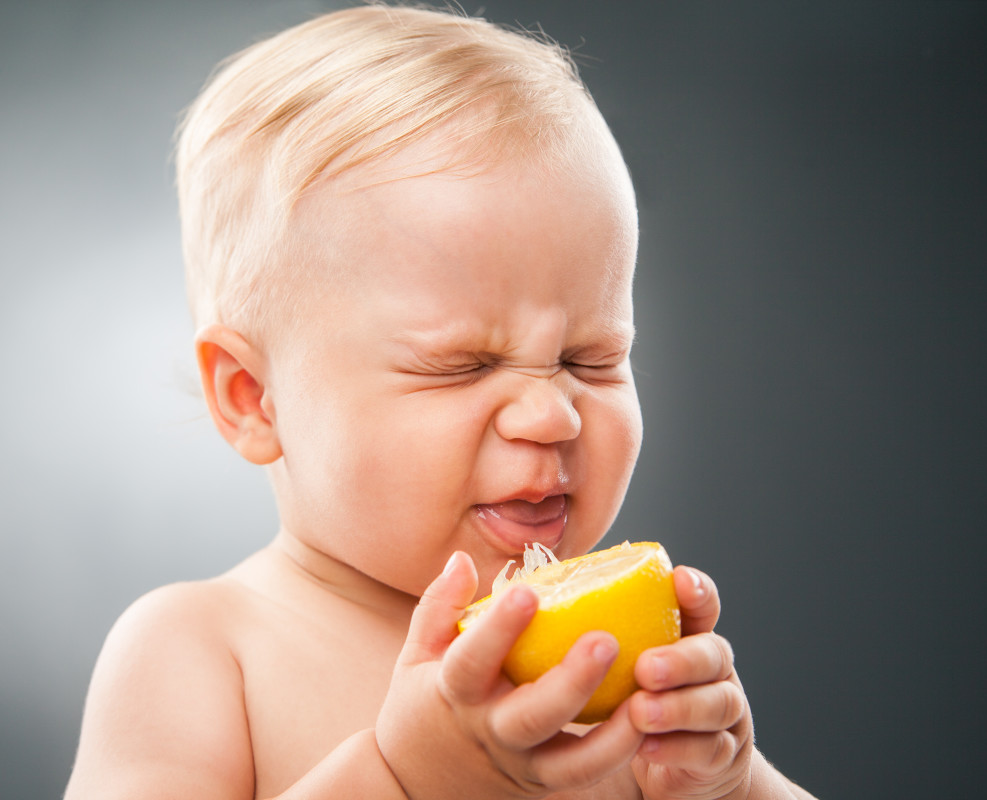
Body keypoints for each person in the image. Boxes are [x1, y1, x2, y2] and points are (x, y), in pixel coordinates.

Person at [64, 4, 816, 798]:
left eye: (590, 358)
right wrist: (401, 776)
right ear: (254, 397)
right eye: (462, 365)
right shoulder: (201, 652)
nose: (551, 414)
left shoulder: (613, 659)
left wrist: (733, 787)